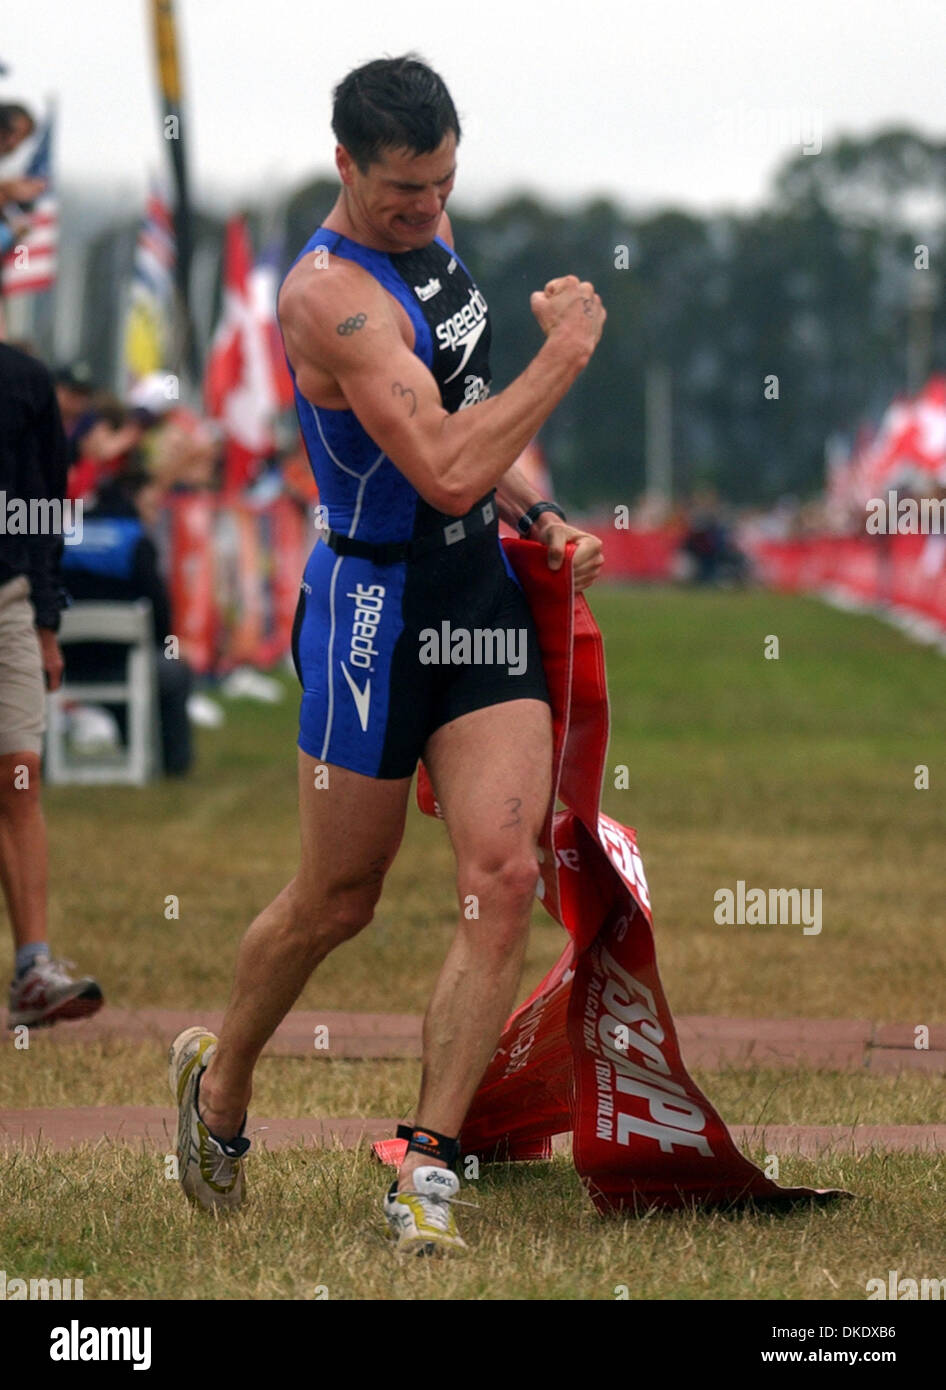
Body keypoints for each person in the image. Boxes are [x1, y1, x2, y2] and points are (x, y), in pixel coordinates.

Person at [168, 53, 605, 1254]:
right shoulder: (325, 296)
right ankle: (220, 1079)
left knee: (502, 871)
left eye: (442, 184)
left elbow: (462, 425)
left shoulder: (429, 225)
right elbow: (439, 460)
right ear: (345, 165)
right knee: (337, 899)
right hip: (371, 612)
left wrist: (530, 513)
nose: (426, 210)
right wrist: (564, 355)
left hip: (475, 593)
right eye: (403, 192)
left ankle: (428, 1168)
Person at [0, 340, 104, 1028]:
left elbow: (44, 509)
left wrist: (44, 620)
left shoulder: (25, 380)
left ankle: (33, 968)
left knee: (20, 776)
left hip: (8, 599)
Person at [60, 470, 194, 777]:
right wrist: (166, 647)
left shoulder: (65, 538)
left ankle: (37, 766)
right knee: (174, 671)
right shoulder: (134, 541)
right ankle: (174, 764)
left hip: (64, 662)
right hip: (126, 661)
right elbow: (161, 607)